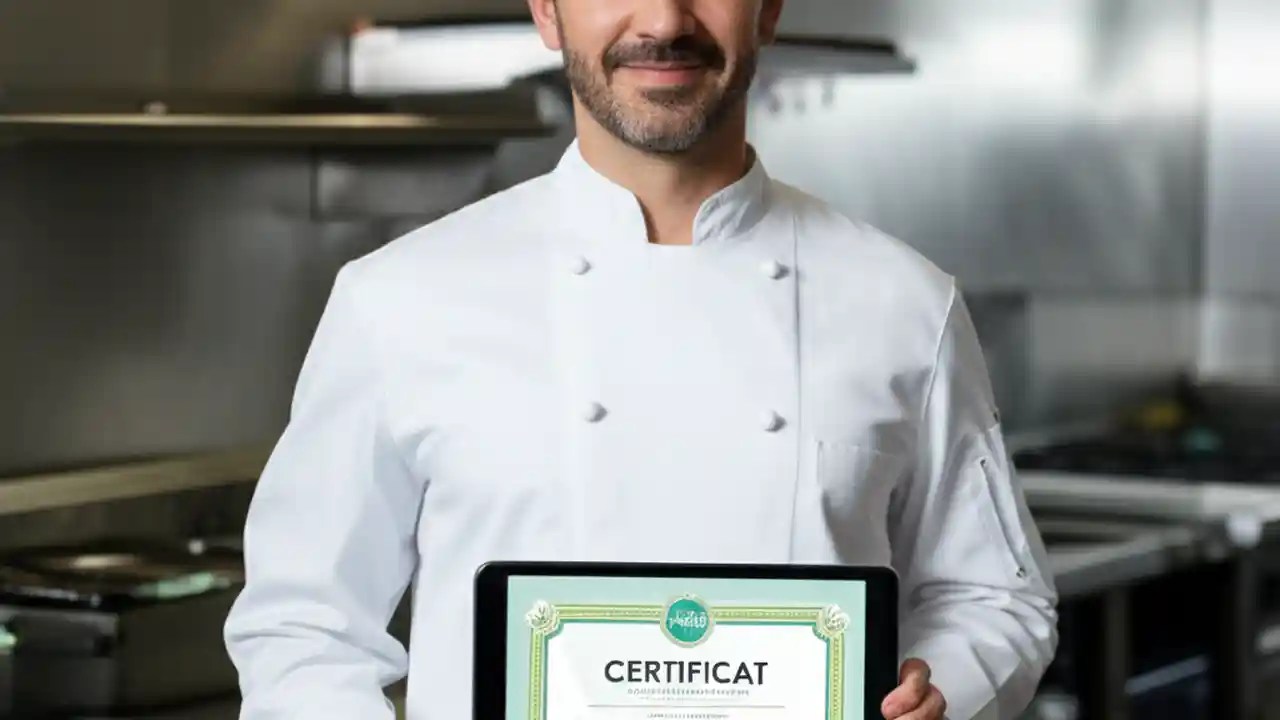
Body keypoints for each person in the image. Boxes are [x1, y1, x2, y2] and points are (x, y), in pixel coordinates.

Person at [223, 0, 1059, 718]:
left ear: (768, 7)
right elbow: (304, 626)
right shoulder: (400, 299)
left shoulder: (904, 301)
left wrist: (942, 687)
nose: (663, 20)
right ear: (546, 9)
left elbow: (993, 596)